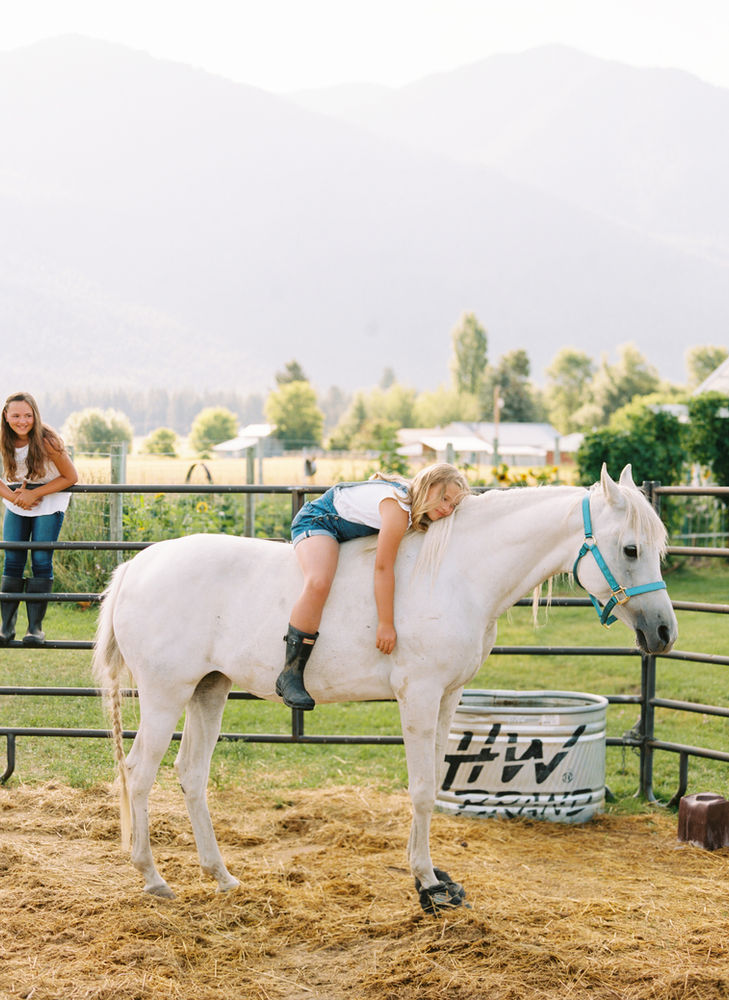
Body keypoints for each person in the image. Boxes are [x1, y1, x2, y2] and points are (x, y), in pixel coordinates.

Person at [275, 462, 470, 710]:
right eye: (444, 498)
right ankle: (290, 673)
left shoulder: (415, 505)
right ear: (428, 487)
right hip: (319, 521)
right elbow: (383, 567)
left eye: (453, 505)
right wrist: (386, 624)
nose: (447, 508)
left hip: (345, 527)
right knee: (319, 581)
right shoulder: (398, 508)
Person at [0, 392, 78, 645]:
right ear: (6, 416)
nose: (22, 421)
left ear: (35, 415)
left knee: (41, 559)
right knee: (12, 558)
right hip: (19, 499)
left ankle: (35, 629)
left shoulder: (48, 441)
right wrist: (17, 499)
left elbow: (70, 476)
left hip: (49, 498)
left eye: (27, 415)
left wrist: (36, 493)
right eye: (16, 415)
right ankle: (6, 627)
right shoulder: (2, 439)